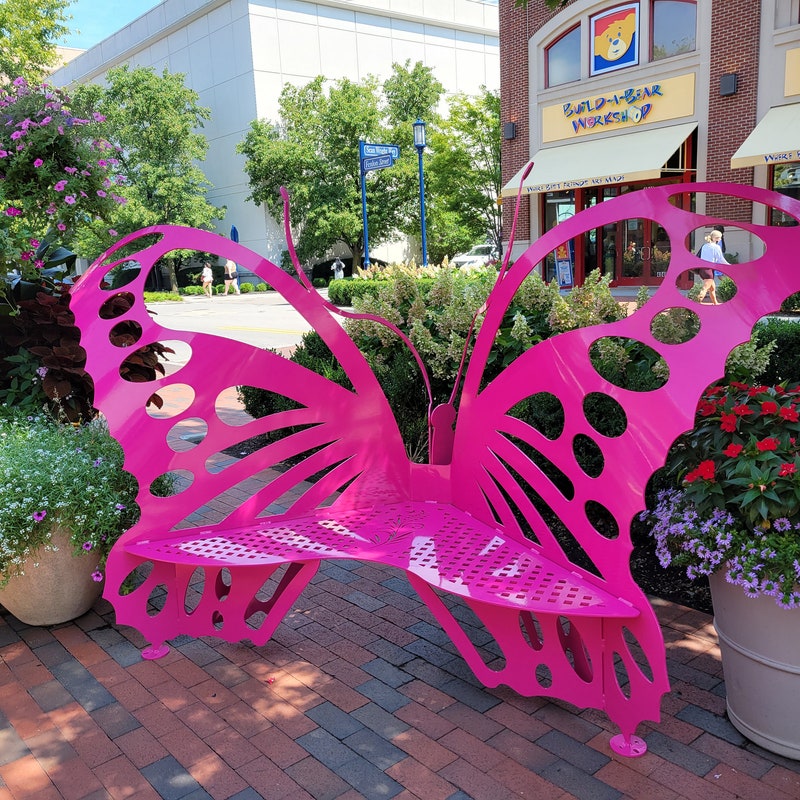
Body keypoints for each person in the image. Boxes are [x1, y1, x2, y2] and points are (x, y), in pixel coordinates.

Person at [696, 230, 726, 305]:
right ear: (716, 238)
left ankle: (715, 303)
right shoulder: (716, 247)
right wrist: (730, 266)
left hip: (702, 270)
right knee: (704, 289)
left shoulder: (704, 246)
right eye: (720, 238)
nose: (720, 240)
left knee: (712, 288)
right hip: (709, 271)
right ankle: (695, 304)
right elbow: (721, 260)